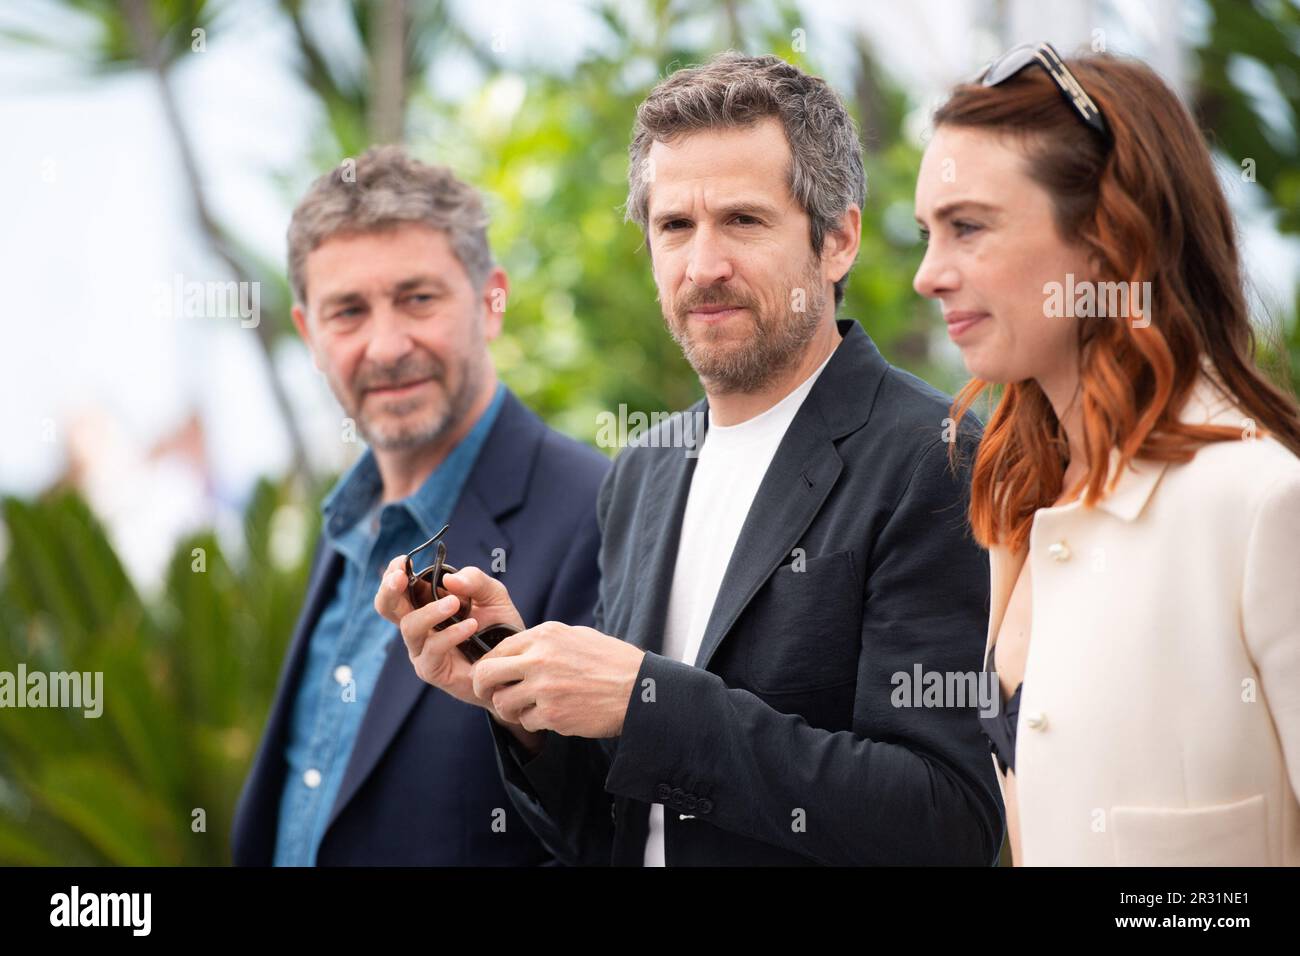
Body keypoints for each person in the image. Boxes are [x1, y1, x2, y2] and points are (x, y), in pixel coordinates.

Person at [376, 53, 1003, 866]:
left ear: (839, 239)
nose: (703, 266)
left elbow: (947, 822)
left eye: (743, 220)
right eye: (675, 226)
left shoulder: (935, 456)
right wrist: (521, 702)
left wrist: (645, 700)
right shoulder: (643, 471)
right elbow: (618, 833)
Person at [913, 43, 1300, 865]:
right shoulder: (1019, 507)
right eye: (927, 233)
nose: (927, 274)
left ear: (1104, 237)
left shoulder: (1265, 505)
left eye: (967, 227)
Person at [231, 146, 608, 865]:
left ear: (490, 303)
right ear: (310, 335)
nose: (387, 345)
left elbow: (619, 827)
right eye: (348, 311)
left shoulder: (599, 515)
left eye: (418, 298)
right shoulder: (342, 529)